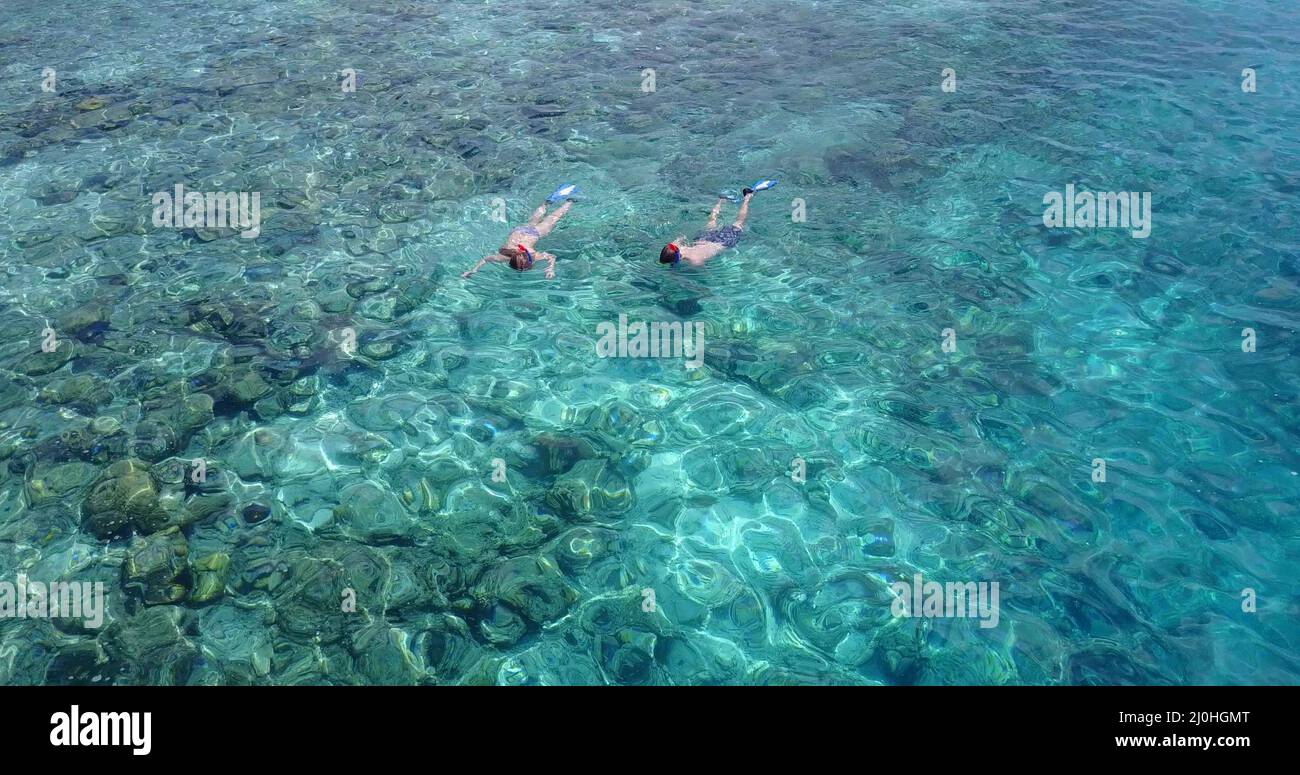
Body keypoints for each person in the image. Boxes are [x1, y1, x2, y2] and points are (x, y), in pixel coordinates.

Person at [462, 185, 582, 280]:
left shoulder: (532, 254)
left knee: (555, 217)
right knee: (534, 219)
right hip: (519, 230)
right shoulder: (506, 255)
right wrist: (473, 270)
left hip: (533, 234)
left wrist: (551, 269)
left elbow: (551, 256)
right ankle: (546, 203)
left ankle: (570, 201)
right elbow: (485, 259)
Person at [659, 180, 776, 268]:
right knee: (712, 221)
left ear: (675, 260)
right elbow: (680, 238)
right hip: (703, 238)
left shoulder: (695, 261)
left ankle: (748, 197)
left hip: (721, 242)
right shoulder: (674, 246)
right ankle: (721, 200)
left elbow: (705, 274)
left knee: (739, 223)